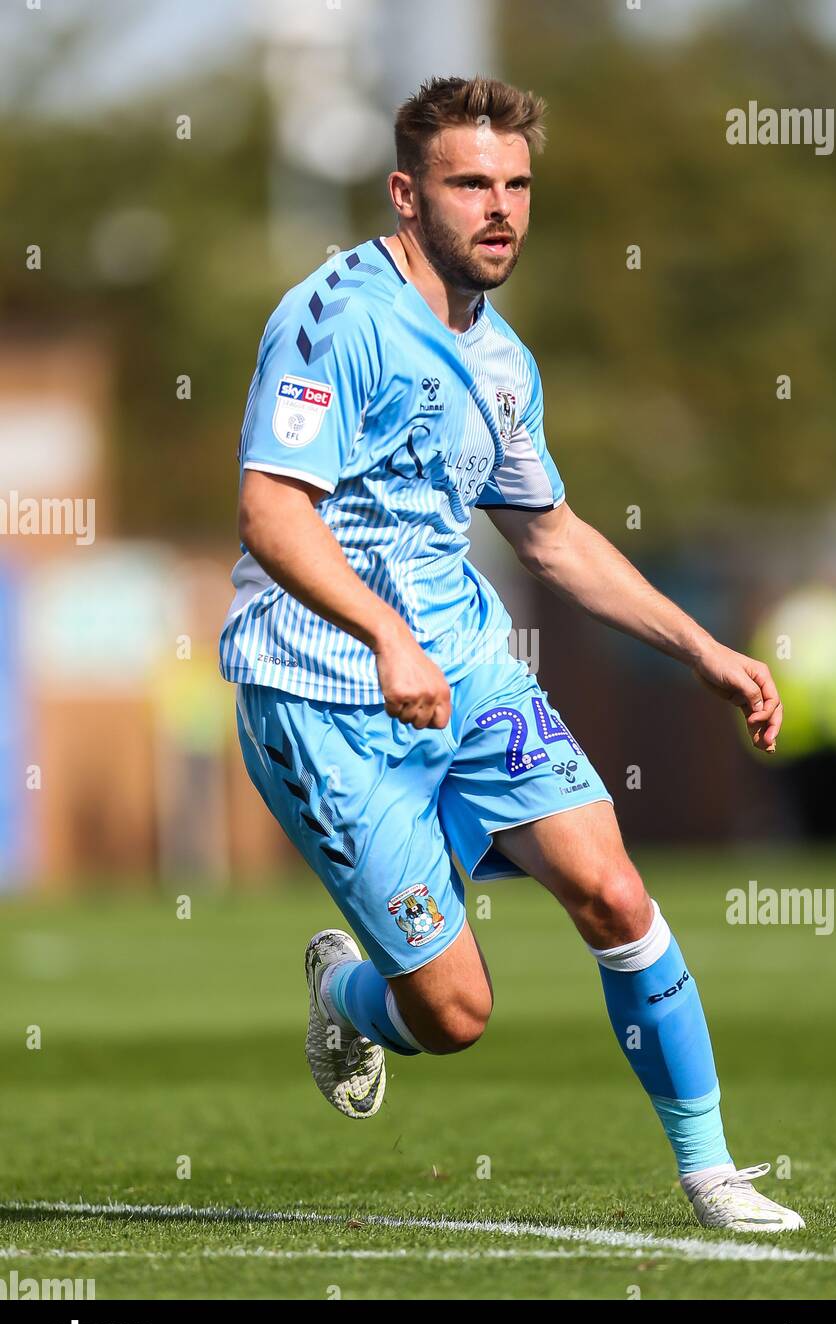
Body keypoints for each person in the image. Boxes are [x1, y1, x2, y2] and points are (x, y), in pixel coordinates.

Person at [219, 75, 801, 1233]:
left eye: (518, 185)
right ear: (405, 194)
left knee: (612, 889)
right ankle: (347, 992)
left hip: (469, 672)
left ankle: (713, 1175)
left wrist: (701, 648)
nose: (501, 208)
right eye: (471, 184)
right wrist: (384, 635)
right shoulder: (333, 318)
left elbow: (550, 536)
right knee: (453, 1015)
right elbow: (270, 511)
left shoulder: (504, 363)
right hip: (320, 696)